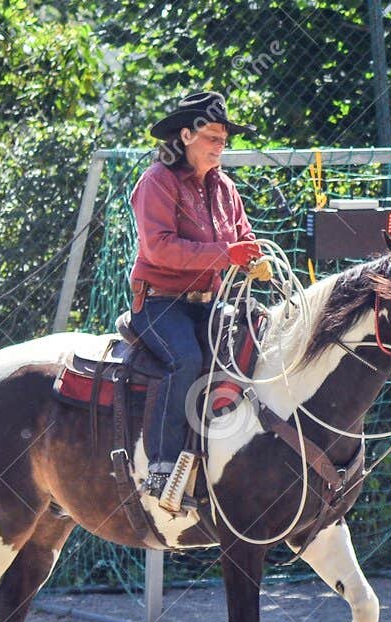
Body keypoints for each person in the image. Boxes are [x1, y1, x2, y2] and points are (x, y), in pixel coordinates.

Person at [129, 91, 262, 512]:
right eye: (212, 137)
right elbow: (158, 249)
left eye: (224, 139)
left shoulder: (224, 188)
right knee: (184, 359)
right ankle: (163, 467)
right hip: (160, 304)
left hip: (209, 302)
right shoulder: (156, 182)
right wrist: (227, 255)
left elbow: (243, 237)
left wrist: (254, 257)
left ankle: (233, 457)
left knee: (256, 346)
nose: (220, 146)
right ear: (185, 135)